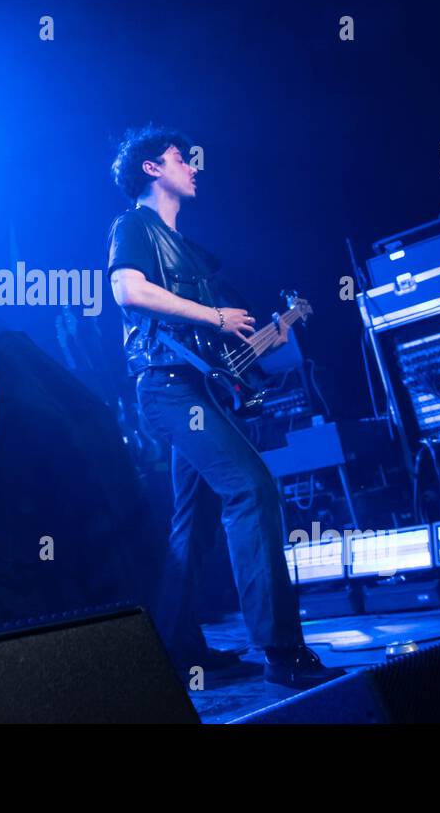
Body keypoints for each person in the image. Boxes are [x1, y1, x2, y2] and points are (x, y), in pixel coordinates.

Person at [105, 123, 342, 689]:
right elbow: (127, 292)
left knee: (193, 525)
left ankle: (178, 651)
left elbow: (220, 347)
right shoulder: (134, 224)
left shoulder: (193, 253)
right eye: (179, 158)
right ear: (151, 170)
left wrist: (266, 339)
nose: (193, 166)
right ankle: (281, 650)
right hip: (166, 389)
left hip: (201, 388)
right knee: (252, 487)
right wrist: (214, 317)